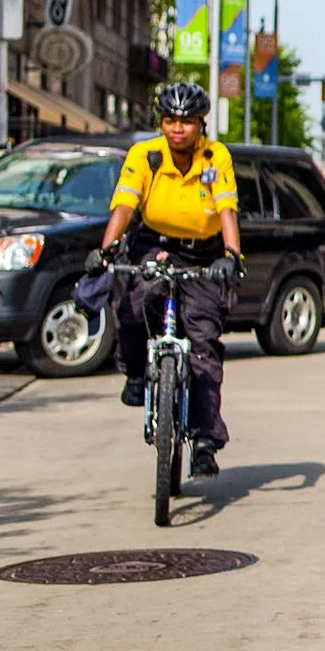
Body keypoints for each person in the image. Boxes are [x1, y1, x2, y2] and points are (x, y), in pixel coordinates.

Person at [91, 82, 244, 476]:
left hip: (203, 251)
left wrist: (231, 255)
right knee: (134, 301)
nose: (178, 128)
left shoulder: (216, 157)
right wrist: (106, 249)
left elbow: (227, 210)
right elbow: (125, 204)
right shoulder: (145, 155)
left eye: (187, 122)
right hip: (152, 244)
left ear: (200, 124)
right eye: (170, 120)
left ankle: (206, 441)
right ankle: (136, 374)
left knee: (204, 346)